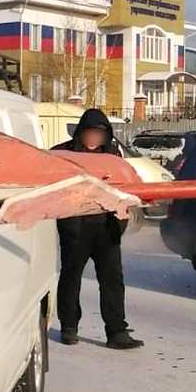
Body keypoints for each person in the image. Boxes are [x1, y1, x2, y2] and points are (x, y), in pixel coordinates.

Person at [52, 108, 143, 350]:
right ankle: (69, 327)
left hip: (107, 228)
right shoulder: (63, 154)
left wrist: (122, 219)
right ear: (81, 133)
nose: (94, 139)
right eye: (90, 133)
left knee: (113, 279)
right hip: (75, 227)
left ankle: (116, 331)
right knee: (71, 277)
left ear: (107, 136)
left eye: (99, 135)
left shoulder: (113, 157)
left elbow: (126, 188)